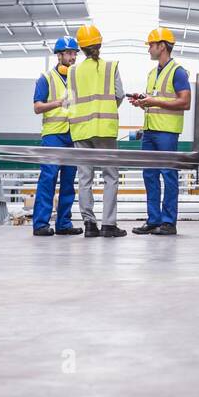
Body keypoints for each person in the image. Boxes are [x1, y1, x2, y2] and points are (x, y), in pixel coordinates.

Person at [128, 27, 190, 236]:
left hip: (167, 132)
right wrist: (142, 101)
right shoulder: (152, 73)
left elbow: (185, 102)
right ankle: (153, 220)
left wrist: (153, 100)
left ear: (162, 46)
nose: (149, 49)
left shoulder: (178, 72)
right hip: (150, 131)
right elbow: (155, 99)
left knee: (168, 175)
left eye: (151, 45)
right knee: (150, 176)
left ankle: (168, 222)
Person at [68, 24, 127, 238]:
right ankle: (109, 225)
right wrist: (107, 109)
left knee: (85, 178)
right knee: (110, 176)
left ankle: (89, 225)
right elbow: (120, 95)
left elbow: (70, 101)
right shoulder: (111, 67)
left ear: (81, 48)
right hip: (105, 129)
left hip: (81, 130)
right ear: (99, 44)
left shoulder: (73, 71)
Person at [30, 36, 82, 237]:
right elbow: (37, 107)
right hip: (53, 135)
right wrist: (58, 103)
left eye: (74, 53)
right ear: (59, 55)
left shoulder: (78, 79)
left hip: (74, 134)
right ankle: (41, 224)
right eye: (68, 53)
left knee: (69, 181)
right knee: (48, 179)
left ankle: (64, 224)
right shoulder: (46, 78)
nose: (72, 57)